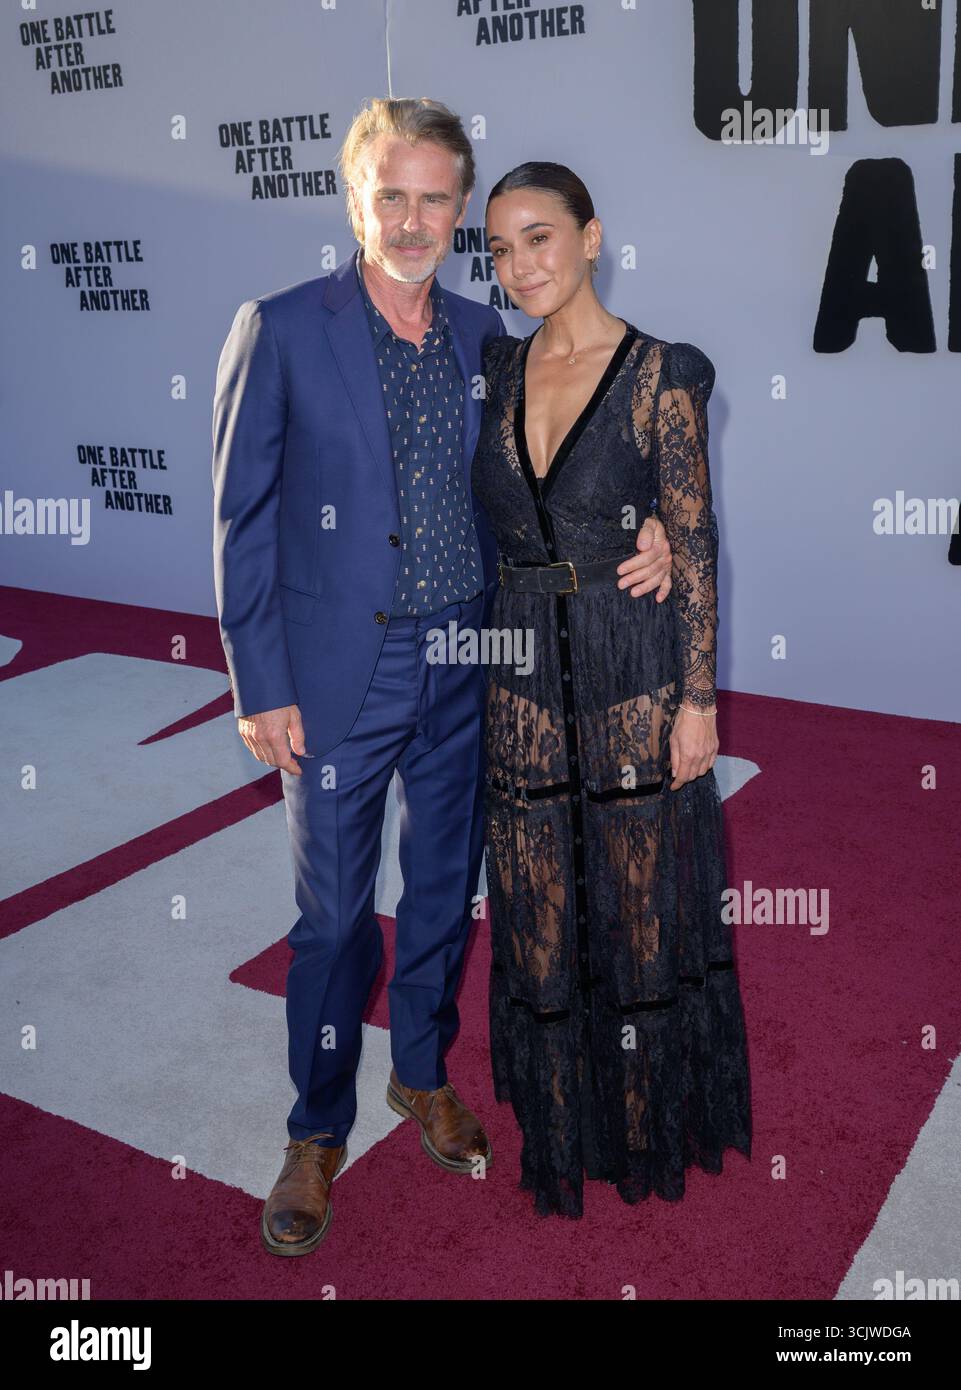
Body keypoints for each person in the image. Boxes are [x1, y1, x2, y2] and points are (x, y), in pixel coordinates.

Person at [211, 100, 674, 1256]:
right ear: (354, 199)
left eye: (434, 199)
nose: (413, 220)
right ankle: (314, 1128)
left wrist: (651, 523)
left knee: (437, 897)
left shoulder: (486, 340)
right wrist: (257, 682)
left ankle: (418, 1074)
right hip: (333, 680)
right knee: (329, 919)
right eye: (391, 196)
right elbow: (242, 524)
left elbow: (570, 461)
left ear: (461, 210)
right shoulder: (278, 328)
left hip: (469, 664)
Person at [472, 161, 753, 1218]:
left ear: (592, 237)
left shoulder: (658, 372)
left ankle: (639, 1126)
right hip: (518, 668)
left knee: (639, 904)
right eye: (498, 249)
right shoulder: (496, 364)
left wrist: (699, 698)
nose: (518, 266)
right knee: (537, 903)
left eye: (538, 238)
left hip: (631, 664)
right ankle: (561, 1119)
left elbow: (695, 537)